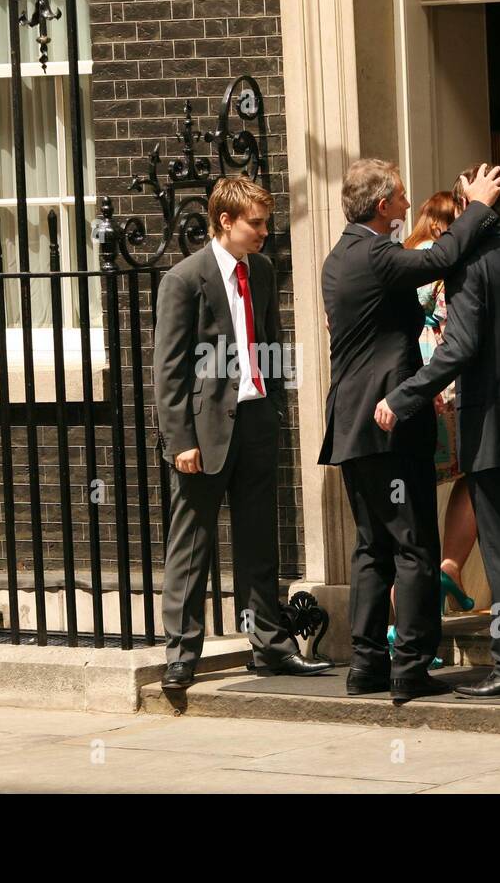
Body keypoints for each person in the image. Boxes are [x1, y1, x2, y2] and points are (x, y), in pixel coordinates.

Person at [376, 165, 500, 699]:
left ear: (473, 208)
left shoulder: (472, 267)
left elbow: (457, 349)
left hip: (492, 427)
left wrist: (404, 395)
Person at [320, 158, 500, 705]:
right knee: (415, 545)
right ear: (382, 206)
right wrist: (480, 204)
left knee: (371, 547)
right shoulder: (378, 254)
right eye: (401, 197)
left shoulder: (338, 257)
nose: (407, 205)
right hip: (390, 421)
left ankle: (366, 664)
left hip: (350, 424)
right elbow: (445, 255)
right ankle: (411, 665)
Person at [154, 176, 332, 691]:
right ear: (225, 221)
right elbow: (168, 371)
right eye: (255, 223)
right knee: (192, 543)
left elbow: (271, 341)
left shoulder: (263, 270)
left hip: (255, 421)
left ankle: (272, 648)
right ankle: (181, 654)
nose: (263, 232)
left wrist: (274, 404)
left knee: (260, 542)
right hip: (204, 431)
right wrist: (179, 439)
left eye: (266, 222)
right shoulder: (185, 280)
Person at [403, 192, 479, 611]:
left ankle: (416, 611)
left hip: (413, 385)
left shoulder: (402, 256)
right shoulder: (437, 258)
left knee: (415, 491)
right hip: (442, 386)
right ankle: (445, 570)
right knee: (472, 474)